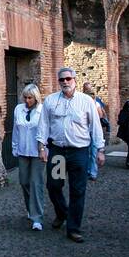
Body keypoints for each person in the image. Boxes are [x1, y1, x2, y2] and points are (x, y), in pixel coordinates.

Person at [37, 67, 105, 243]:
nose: (65, 82)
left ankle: (73, 228)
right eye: (62, 80)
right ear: (58, 81)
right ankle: (63, 212)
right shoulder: (51, 101)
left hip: (79, 152)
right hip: (59, 152)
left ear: (74, 79)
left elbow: (95, 127)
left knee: (77, 190)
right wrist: (41, 146)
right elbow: (43, 124)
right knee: (54, 185)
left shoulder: (86, 101)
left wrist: (100, 150)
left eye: (68, 78)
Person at [11, 84, 46, 231]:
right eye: (25, 97)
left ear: (36, 97)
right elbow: (15, 129)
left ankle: (37, 217)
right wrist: (14, 146)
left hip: (37, 152)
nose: (27, 100)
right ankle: (30, 208)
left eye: (30, 97)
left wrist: (43, 149)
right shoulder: (18, 109)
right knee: (24, 182)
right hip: (23, 151)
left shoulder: (42, 110)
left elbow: (45, 131)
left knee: (35, 183)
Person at [83, 83, 110, 180]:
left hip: (93, 130)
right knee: (87, 152)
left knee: (93, 152)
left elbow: (100, 115)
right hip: (85, 131)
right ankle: (88, 171)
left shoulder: (96, 103)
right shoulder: (82, 103)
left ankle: (92, 172)